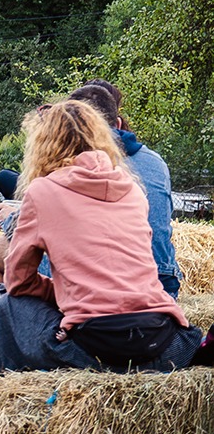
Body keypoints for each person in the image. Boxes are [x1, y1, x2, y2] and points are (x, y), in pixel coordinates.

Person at [0, 100, 206, 374]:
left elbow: (18, 281)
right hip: (162, 340)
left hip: (97, 345)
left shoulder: (42, 192)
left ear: (42, 145)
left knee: (8, 307)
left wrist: (67, 295)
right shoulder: (133, 191)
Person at [73, 80, 180, 298]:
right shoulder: (155, 161)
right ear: (118, 123)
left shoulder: (75, 161)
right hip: (162, 278)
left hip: (108, 286)